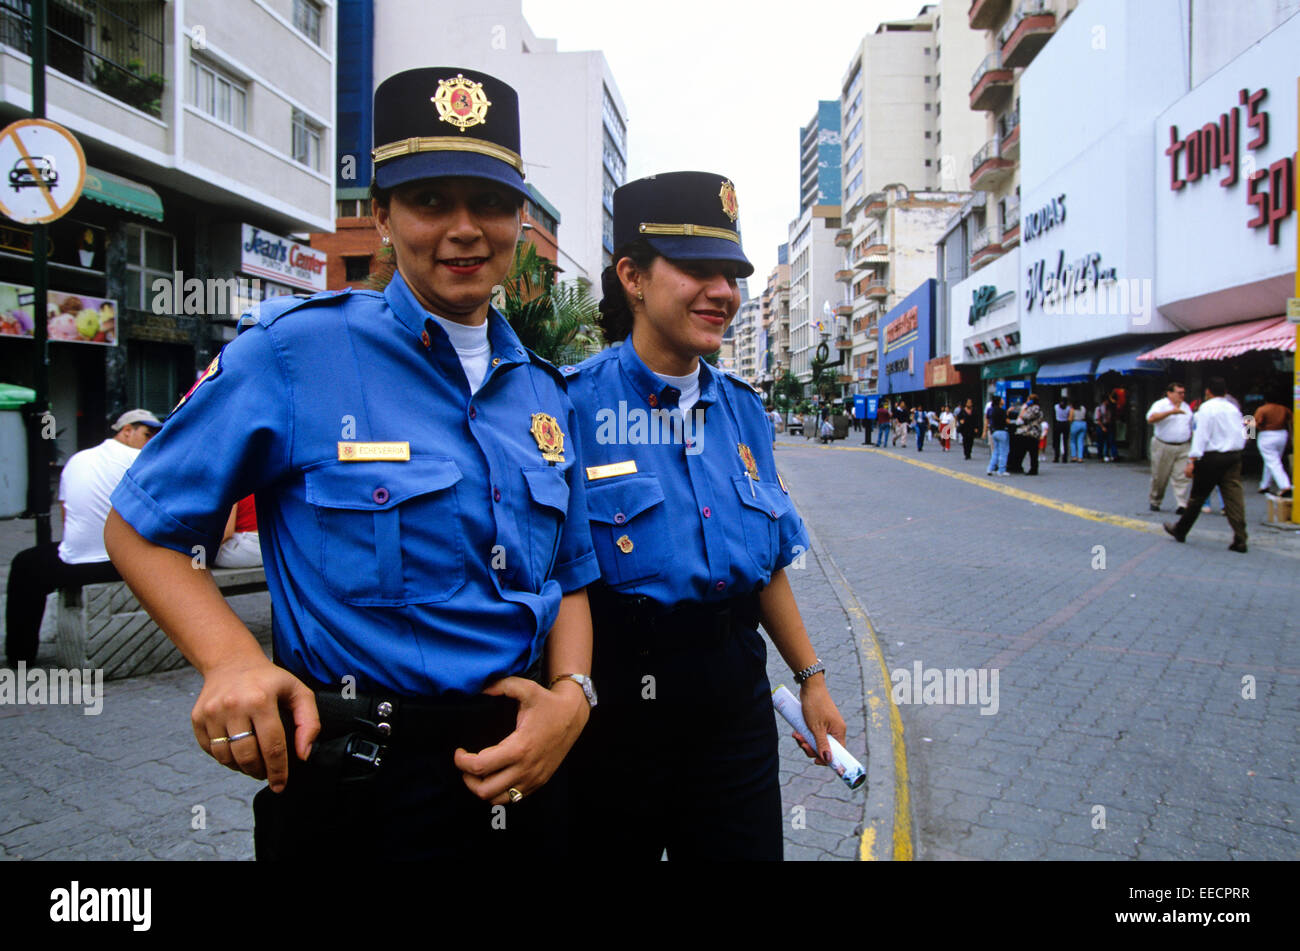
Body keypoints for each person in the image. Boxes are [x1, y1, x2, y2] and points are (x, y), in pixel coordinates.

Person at [103, 67, 600, 860]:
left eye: (490, 202)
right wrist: (229, 659)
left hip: (524, 769)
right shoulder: (296, 351)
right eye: (430, 200)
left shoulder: (541, 391)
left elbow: (570, 574)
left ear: (520, 216)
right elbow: (141, 525)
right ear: (381, 215)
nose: (465, 228)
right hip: (362, 787)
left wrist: (572, 697)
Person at [562, 171, 848, 860]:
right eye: (698, 269)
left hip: (734, 704)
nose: (724, 292)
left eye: (732, 274)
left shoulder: (745, 409)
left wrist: (814, 681)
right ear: (631, 275)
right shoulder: (570, 407)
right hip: (617, 704)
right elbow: (554, 576)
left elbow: (767, 562)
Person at [4, 409, 161, 665]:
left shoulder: (78, 459)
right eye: (147, 434)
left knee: (26, 564)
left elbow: (68, 520)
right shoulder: (144, 462)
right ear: (126, 431)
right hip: (123, 563)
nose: (152, 441)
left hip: (75, 562)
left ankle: (19, 657)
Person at [1164, 377, 1249, 552]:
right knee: (1234, 498)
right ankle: (1240, 538)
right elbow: (1246, 432)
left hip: (1211, 458)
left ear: (1208, 392)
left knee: (1197, 497)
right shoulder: (1233, 408)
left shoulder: (1206, 409)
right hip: (1233, 456)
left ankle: (1181, 530)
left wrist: (1192, 460)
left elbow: (1200, 436)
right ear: (1225, 392)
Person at [1146, 381, 1193, 514]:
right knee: (1160, 476)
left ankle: (1182, 504)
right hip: (1163, 445)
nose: (1182, 395)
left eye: (1183, 393)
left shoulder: (1186, 406)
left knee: (1182, 476)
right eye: (1179, 393)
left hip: (1183, 445)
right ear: (1169, 393)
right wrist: (1171, 412)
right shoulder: (1160, 405)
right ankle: (1155, 500)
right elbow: (1151, 419)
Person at [1251, 391, 1292, 497]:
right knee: (1272, 460)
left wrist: (1246, 422)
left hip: (1267, 435)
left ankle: (1285, 486)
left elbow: (1255, 424)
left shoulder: (1262, 409)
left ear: (1265, 400)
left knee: (1273, 462)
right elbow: (1291, 421)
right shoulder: (1284, 409)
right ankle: (1264, 485)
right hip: (1282, 434)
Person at [213, 495, 262, 568]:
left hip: (250, 544)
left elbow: (227, 533)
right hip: (267, 544)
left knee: (194, 555)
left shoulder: (226, 486)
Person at [1012, 394, 1044, 475]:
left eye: (1028, 399)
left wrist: (1024, 409)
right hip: (1028, 432)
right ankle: (1020, 466)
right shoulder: (1033, 408)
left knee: (1032, 452)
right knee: (1026, 451)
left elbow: (1025, 417)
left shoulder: (1035, 408)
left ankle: (1033, 469)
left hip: (1031, 432)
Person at [986, 395, 1009, 476]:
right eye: (1002, 399)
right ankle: (1001, 470)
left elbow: (987, 420)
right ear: (999, 402)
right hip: (1002, 431)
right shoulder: (1002, 411)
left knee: (995, 451)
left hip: (994, 432)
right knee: (1003, 452)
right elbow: (1007, 421)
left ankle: (990, 468)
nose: (1003, 400)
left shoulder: (991, 410)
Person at [1053, 395, 1071, 462]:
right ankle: (1065, 457)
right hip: (1065, 423)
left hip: (1058, 423)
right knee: (1065, 441)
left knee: (1057, 441)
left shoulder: (1056, 406)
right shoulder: (1068, 408)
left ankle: (1056, 456)